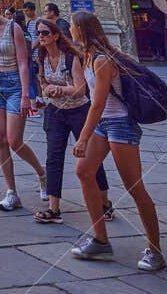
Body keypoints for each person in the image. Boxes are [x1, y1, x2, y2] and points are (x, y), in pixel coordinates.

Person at [70, 11, 165, 272]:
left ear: (81, 29)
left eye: (71, 27)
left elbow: (98, 104)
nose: (69, 31)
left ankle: (155, 251)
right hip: (103, 125)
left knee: (134, 187)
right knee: (84, 172)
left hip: (120, 124)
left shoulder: (101, 60)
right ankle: (100, 239)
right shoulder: (87, 56)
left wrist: (82, 138)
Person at [33, 19, 112, 226]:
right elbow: (42, 82)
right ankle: (53, 208)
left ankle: (104, 204)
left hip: (79, 110)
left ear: (56, 35)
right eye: (38, 33)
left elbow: (81, 89)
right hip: (55, 111)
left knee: (90, 158)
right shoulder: (41, 57)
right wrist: (47, 89)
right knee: (53, 157)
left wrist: (60, 90)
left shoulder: (70, 58)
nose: (40, 36)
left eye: (44, 33)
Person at [0, 0, 47, 211]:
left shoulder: (14, 27)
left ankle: (42, 174)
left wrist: (27, 94)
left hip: (15, 85)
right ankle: (11, 192)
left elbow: (23, 62)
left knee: (14, 140)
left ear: (0, 4)